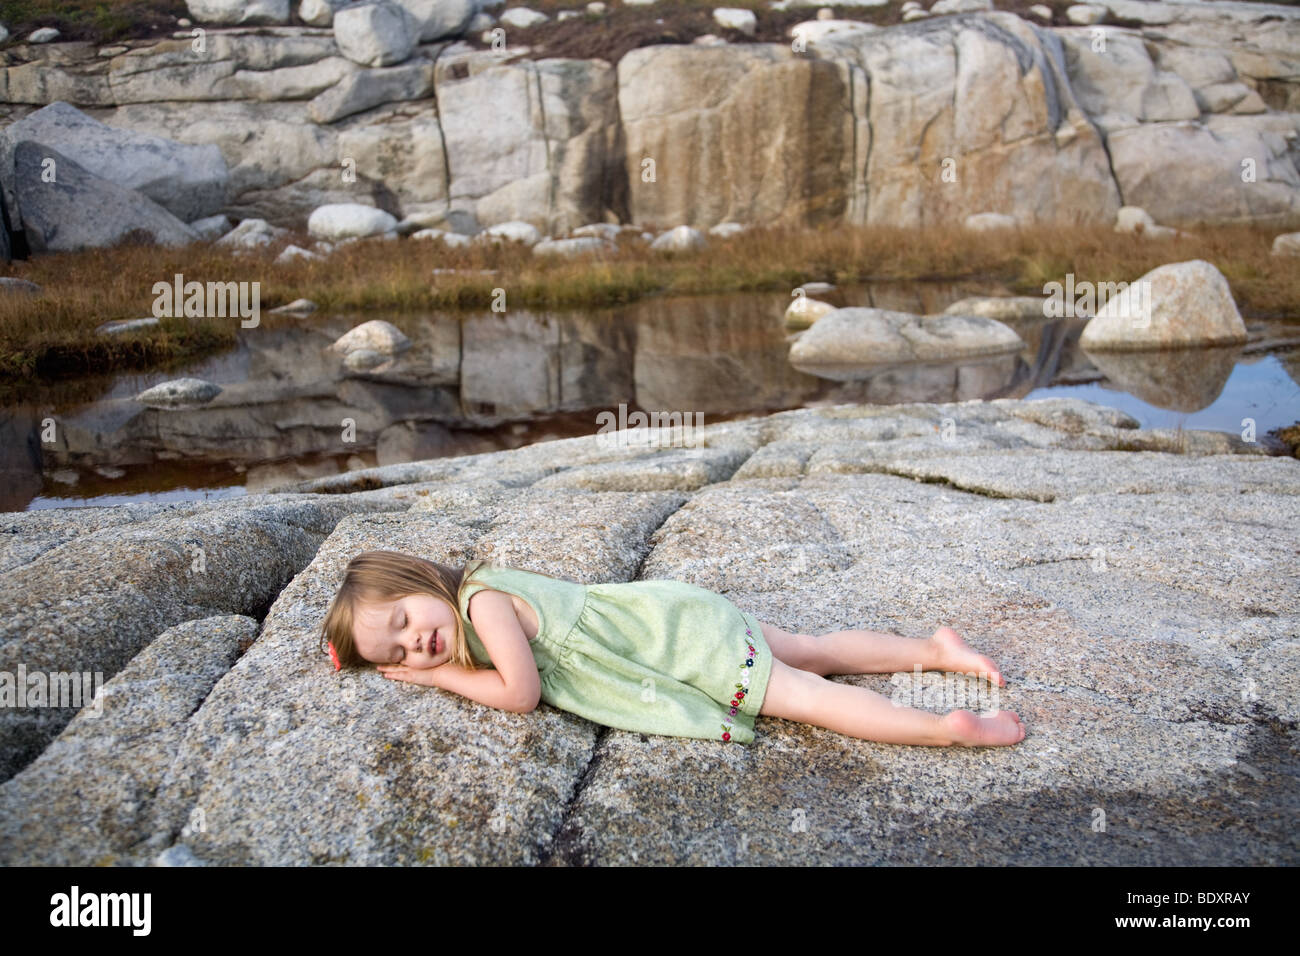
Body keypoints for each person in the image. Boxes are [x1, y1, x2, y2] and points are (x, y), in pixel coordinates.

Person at [319, 550, 1024, 747]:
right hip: (679, 614)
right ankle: (935, 650)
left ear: (420, 580)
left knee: (812, 697)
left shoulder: (481, 600)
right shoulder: (470, 606)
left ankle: (946, 728)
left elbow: (521, 694)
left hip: (683, 644)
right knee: (811, 648)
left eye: (407, 619)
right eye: (402, 653)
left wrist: (441, 682)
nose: (418, 644)